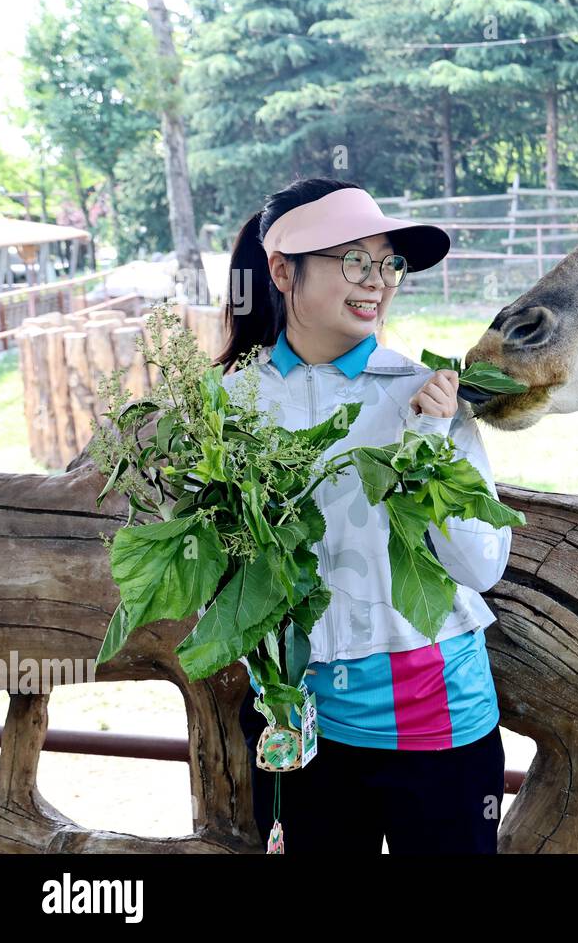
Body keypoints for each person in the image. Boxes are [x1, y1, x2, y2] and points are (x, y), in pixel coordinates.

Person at [218, 177, 510, 853]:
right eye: (353, 259)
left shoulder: (426, 394)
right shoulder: (229, 405)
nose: (376, 280)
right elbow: (218, 581)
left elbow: (479, 566)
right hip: (296, 720)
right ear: (282, 271)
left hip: (434, 716)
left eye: (388, 263)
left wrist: (428, 446)